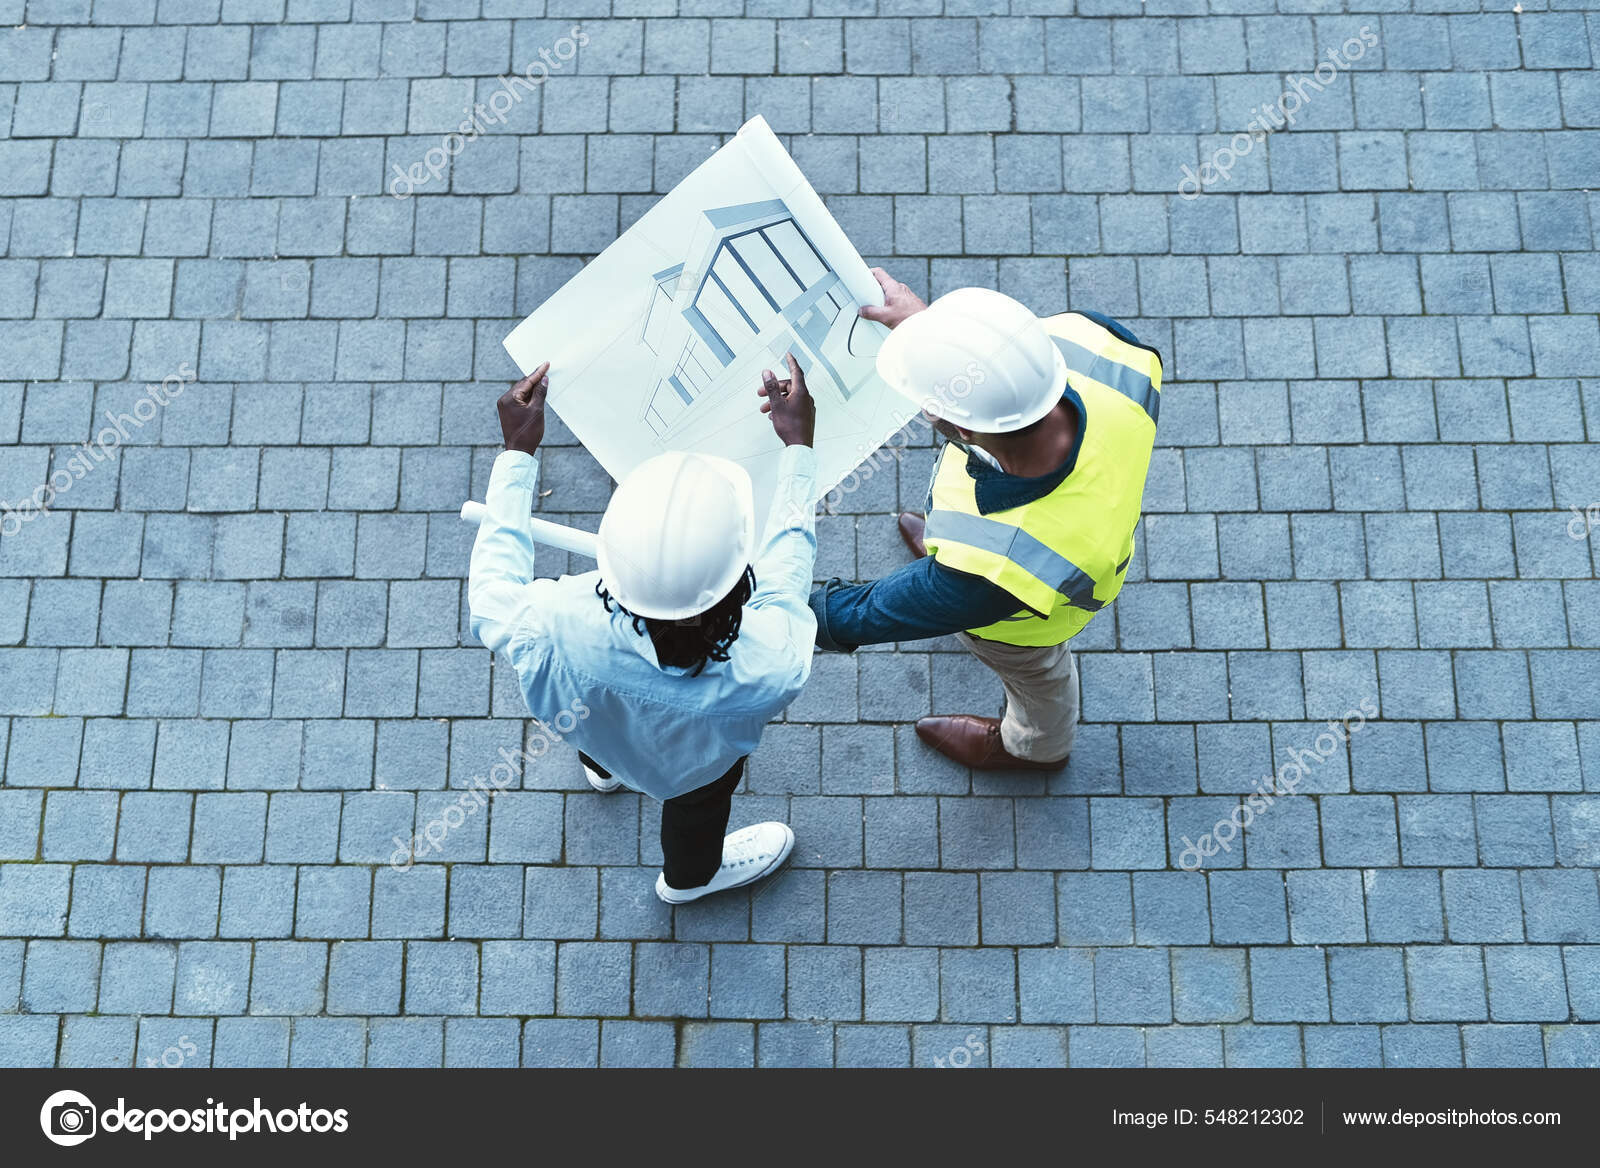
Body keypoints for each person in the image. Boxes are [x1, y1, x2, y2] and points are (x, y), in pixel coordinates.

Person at [469, 355, 819, 902]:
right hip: (691, 773)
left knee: (594, 728)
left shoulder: (548, 619)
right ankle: (688, 880)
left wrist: (517, 454)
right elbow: (783, 584)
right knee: (695, 817)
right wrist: (799, 451)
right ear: (733, 583)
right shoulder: (771, 668)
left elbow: (491, 591)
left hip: (585, 723)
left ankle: (604, 771)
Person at [809, 271, 1164, 771]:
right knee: (953, 565)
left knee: (1039, 680)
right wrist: (929, 329)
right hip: (1034, 543)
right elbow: (1003, 371)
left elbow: (862, 614)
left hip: (1020, 621)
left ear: (962, 429)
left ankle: (1036, 748)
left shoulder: (994, 569)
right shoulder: (1094, 340)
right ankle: (945, 546)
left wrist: (747, 609)